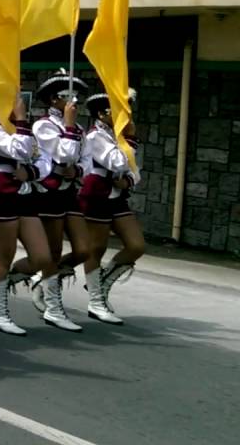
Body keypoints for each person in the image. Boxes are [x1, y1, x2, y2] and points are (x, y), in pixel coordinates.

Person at [0, 91, 58, 335]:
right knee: (4, 256)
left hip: (25, 192)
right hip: (0, 191)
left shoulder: (21, 129)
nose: (17, 103)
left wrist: (31, 173)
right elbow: (20, 151)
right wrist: (21, 120)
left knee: (42, 257)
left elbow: (44, 160)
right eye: (9, 100)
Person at [26, 71, 90, 328]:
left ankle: (41, 278)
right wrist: (70, 127)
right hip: (49, 193)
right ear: (54, 99)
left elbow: (85, 159)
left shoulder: (79, 129)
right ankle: (53, 307)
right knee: (52, 252)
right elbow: (63, 155)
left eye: (76, 96)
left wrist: (79, 170)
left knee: (83, 250)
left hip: (70, 192)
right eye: (67, 96)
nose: (74, 101)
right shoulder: (44, 126)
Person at [79, 89, 145, 325]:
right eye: (117, 110)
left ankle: (103, 281)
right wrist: (130, 139)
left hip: (116, 195)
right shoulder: (95, 136)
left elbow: (134, 169)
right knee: (96, 249)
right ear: (101, 113)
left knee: (136, 245)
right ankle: (96, 301)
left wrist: (128, 180)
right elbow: (116, 161)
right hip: (96, 194)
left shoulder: (120, 135)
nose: (124, 115)